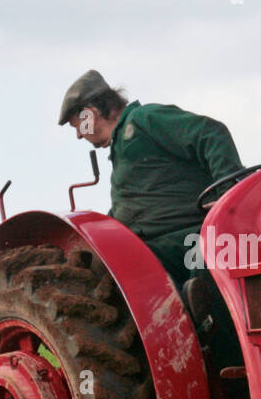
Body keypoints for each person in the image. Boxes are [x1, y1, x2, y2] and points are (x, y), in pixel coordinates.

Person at [59, 70, 244, 287]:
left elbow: (211, 133)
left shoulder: (143, 120)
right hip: (154, 248)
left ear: (91, 113)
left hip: (184, 240)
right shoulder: (122, 151)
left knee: (125, 277)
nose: (80, 135)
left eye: (78, 126)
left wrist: (228, 195)